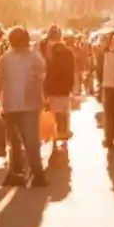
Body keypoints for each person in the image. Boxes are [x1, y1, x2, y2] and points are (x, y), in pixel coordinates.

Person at [0, 26, 48, 187]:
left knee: (15, 141)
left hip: (12, 105)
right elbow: (41, 76)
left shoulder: (7, 58)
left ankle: (18, 172)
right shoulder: (34, 58)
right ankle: (35, 174)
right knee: (30, 141)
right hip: (27, 105)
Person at [43, 26, 76, 155]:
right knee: (64, 113)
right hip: (64, 88)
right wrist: (72, 85)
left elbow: (47, 71)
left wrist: (45, 87)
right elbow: (71, 70)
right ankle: (64, 138)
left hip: (52, 88)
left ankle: (55, 141)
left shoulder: (49, 52)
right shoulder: (68, 52)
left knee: (54, 115)